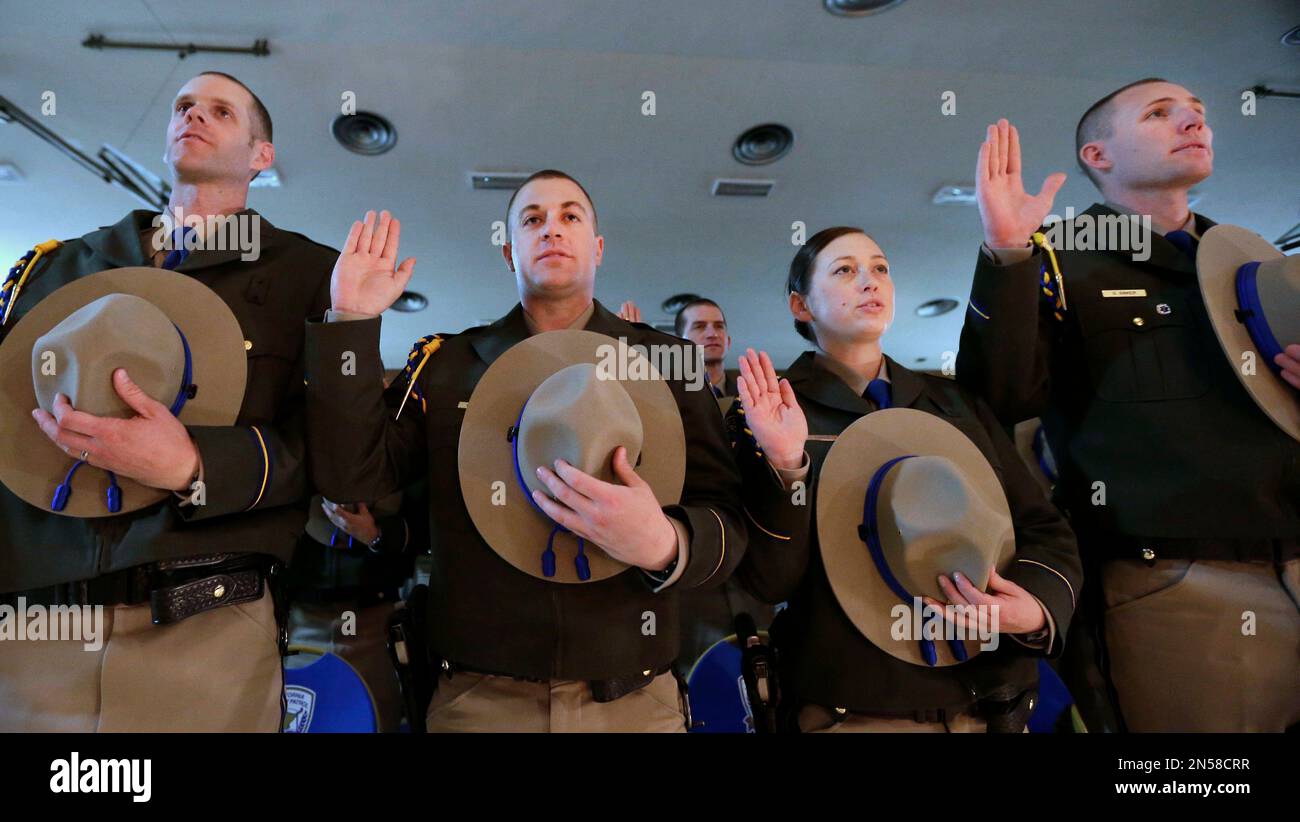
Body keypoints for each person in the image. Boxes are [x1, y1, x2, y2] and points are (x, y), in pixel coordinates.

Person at [303, 169, 746, 732]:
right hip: (478, 700)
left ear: (598, 248)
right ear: (509, 252)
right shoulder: (447, 364)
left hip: (635, 702)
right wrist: (350, 321)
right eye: (532, 220)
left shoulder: (668, 364)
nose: (551, 229)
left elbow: (727, 520)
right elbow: (353, 476)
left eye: (569, 217)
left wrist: (665, 542)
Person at [956, 78, 1300, 731]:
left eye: (1198, 112)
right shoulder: (1057, 258)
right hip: (1176, 580)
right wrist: (1007, 252)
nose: (1193, 122)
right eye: (1160, 113)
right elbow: (997, 398)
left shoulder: (1252, 263)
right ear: (1098, 155)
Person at [0, 72, 335, 731]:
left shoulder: (310, 276)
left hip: (206, 622)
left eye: (221, 111)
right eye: (184, 106)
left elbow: (331, 456)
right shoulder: (56, 268)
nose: (194, 116)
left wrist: (196, 468)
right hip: (37, 621)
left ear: (262, 155)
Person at [733, 226, 1080, 732]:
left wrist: (1034, 608)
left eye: (880, 268)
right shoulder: (769, 411)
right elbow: (770, 580)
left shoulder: (957, 404)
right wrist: (786, 465)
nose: (869, 281)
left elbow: (1042, 528)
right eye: (845, 270)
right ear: (800, 305)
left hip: (991, 703)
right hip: (856, 709)